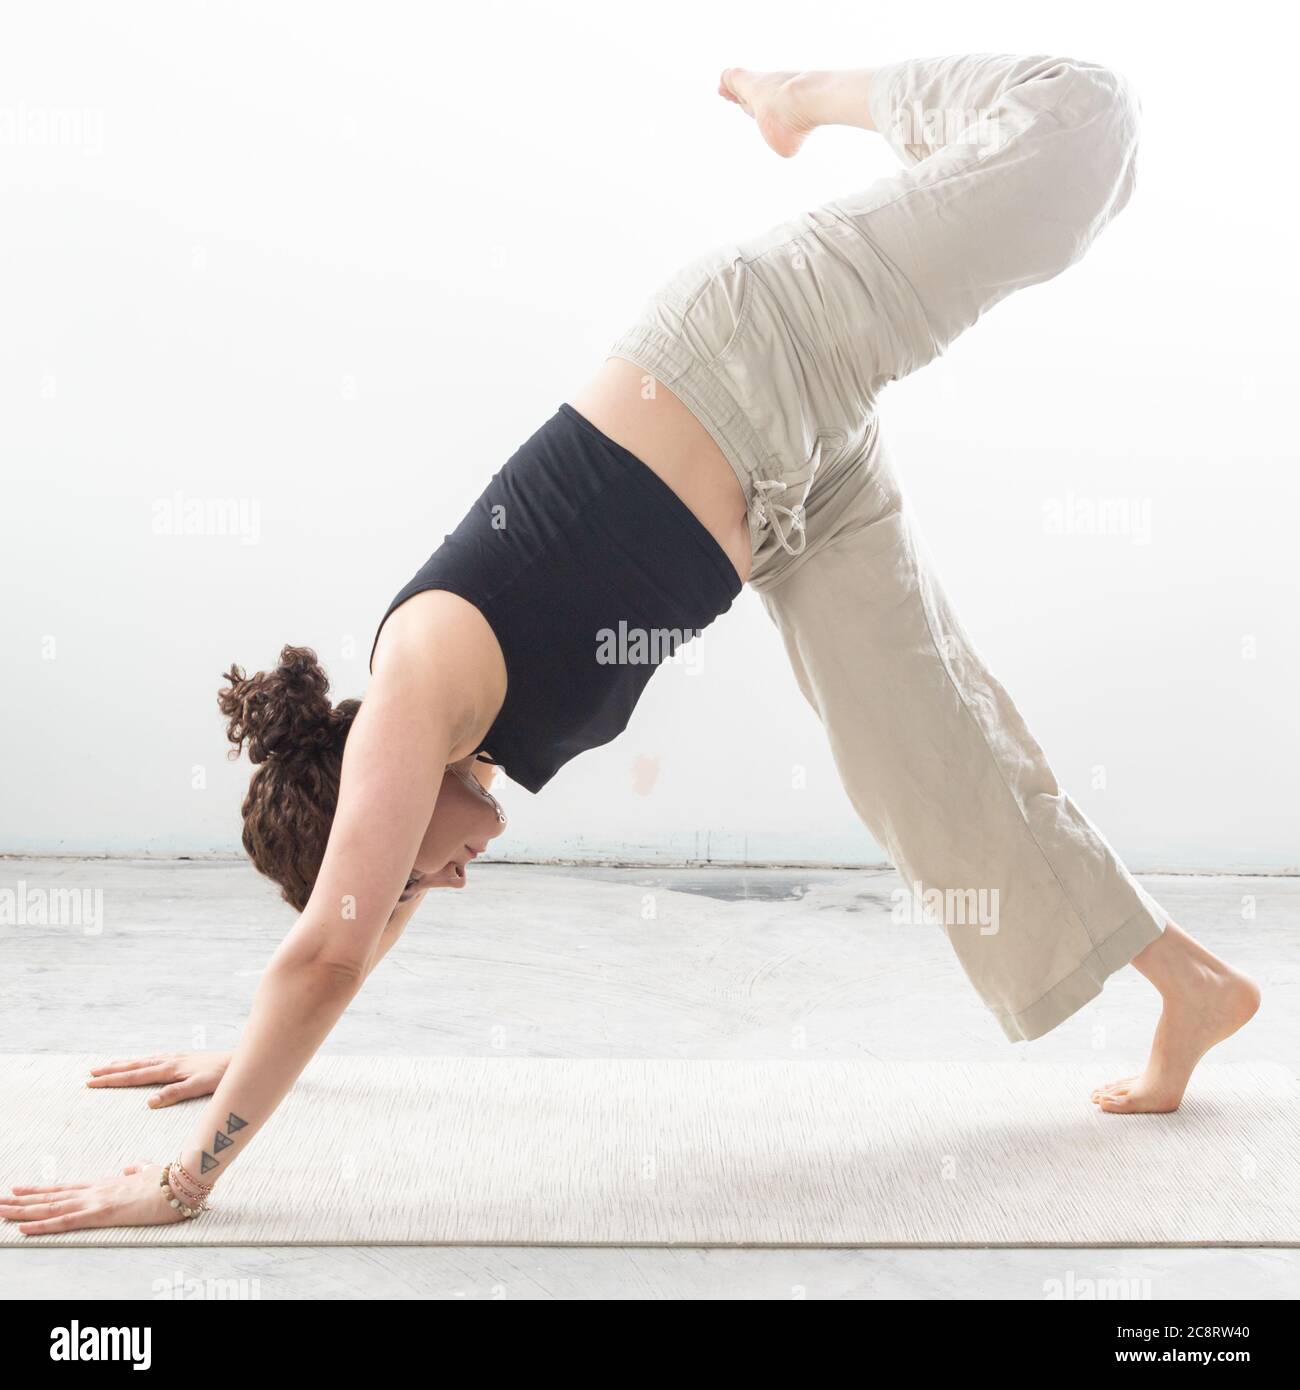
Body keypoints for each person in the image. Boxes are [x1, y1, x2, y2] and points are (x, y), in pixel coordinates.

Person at [3, 52, 1259, 1237]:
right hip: (789, 507)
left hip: (752, 351)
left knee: (1079, 133)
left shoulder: (414, 683)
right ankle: (1188, 983)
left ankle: (803, 96)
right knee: (924, 768)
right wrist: (246, 1053)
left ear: (374, 802)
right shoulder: (454, 749)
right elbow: (356, 930)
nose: (442, 890)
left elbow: (331, 946)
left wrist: (183, 1181)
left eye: (418, 876)